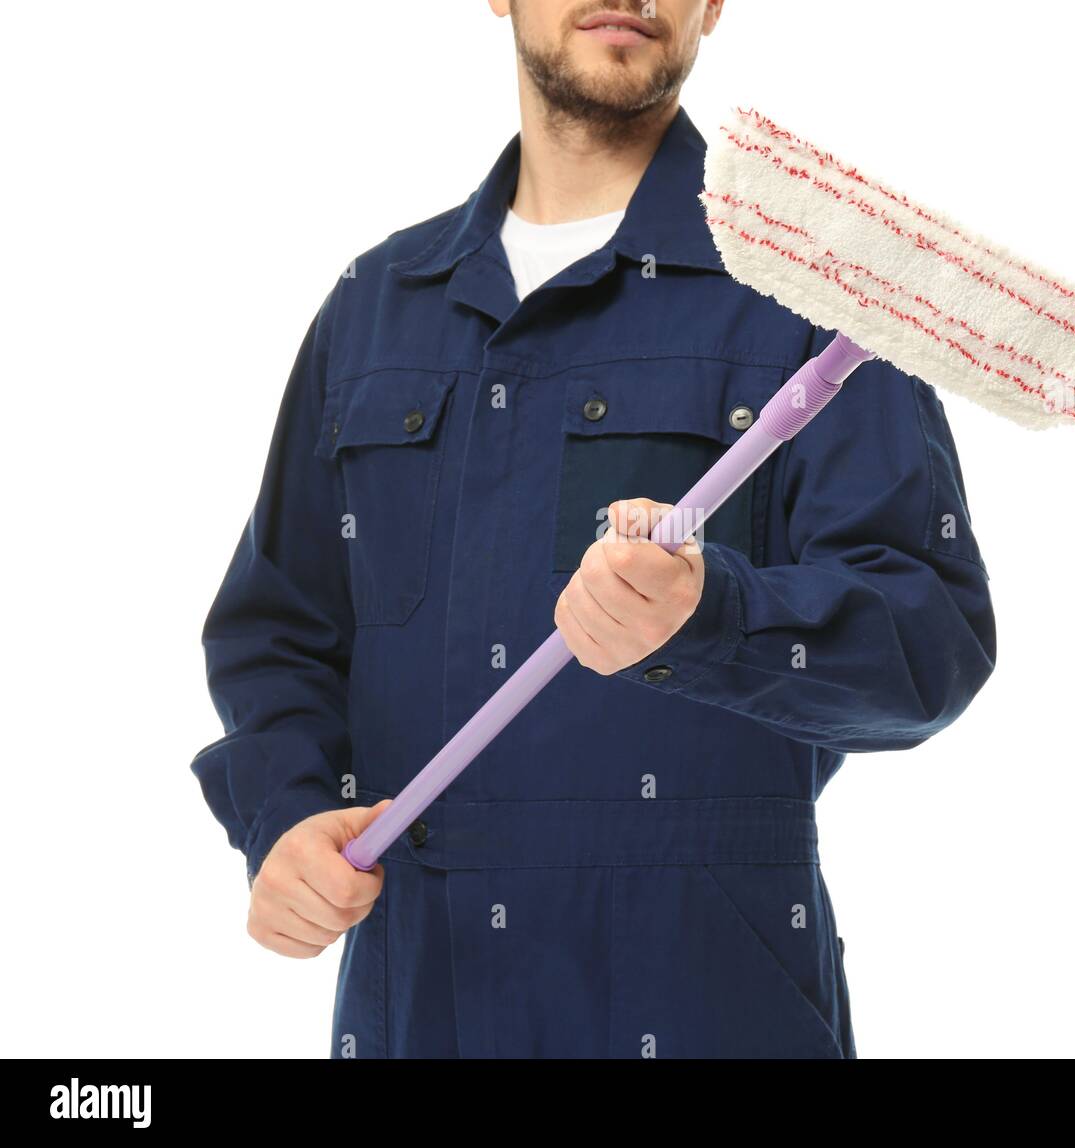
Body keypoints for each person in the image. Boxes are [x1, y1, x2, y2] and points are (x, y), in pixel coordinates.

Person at [192, 0, 996, 1059]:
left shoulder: (811, 303)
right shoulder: (379, 306)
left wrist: (713, 615)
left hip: (711, 997)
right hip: (418, 1001)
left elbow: (926, 637)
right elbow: (279, 632)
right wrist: (288, 816)